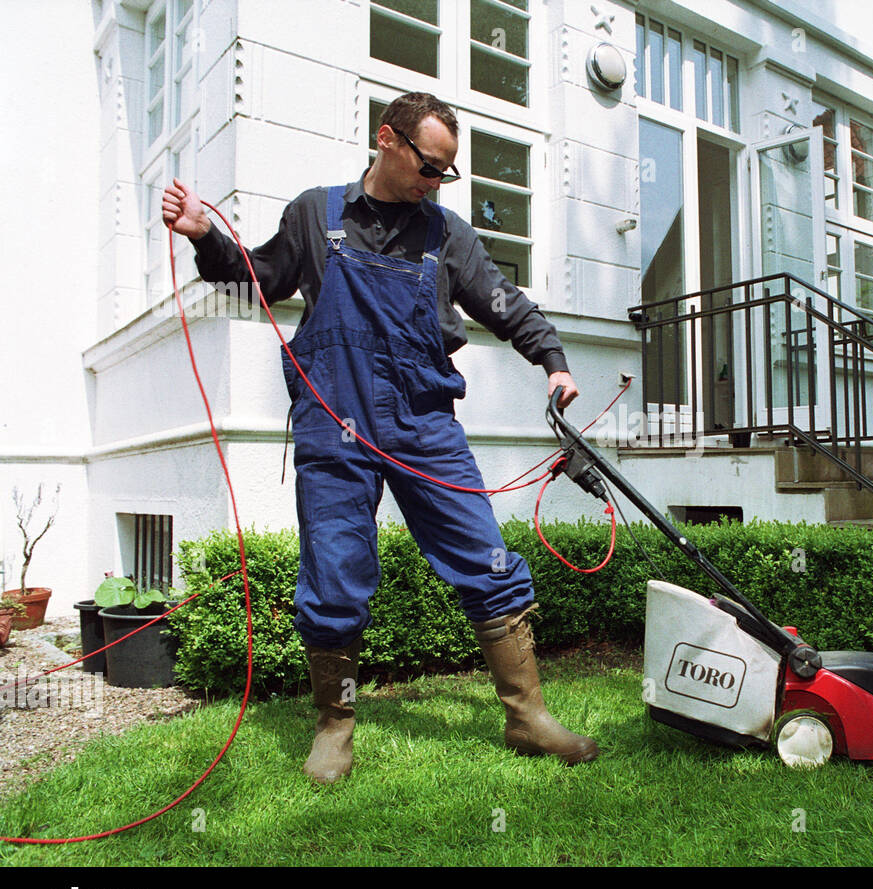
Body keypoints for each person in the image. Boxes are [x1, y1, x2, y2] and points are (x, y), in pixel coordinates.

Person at [161, 91, 598, 782]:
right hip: (334, 423)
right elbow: (256, 277)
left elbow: (504, 302)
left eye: (447, 172)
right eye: (430, 166)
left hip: (424, 423)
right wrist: (204, 237)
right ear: (388, 140)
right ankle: (335, 726)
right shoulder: (316, 214)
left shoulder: (447, 234)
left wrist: (555, 361)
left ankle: (527, 717)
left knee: (487, 559)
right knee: (335, 577)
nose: (437, 182)